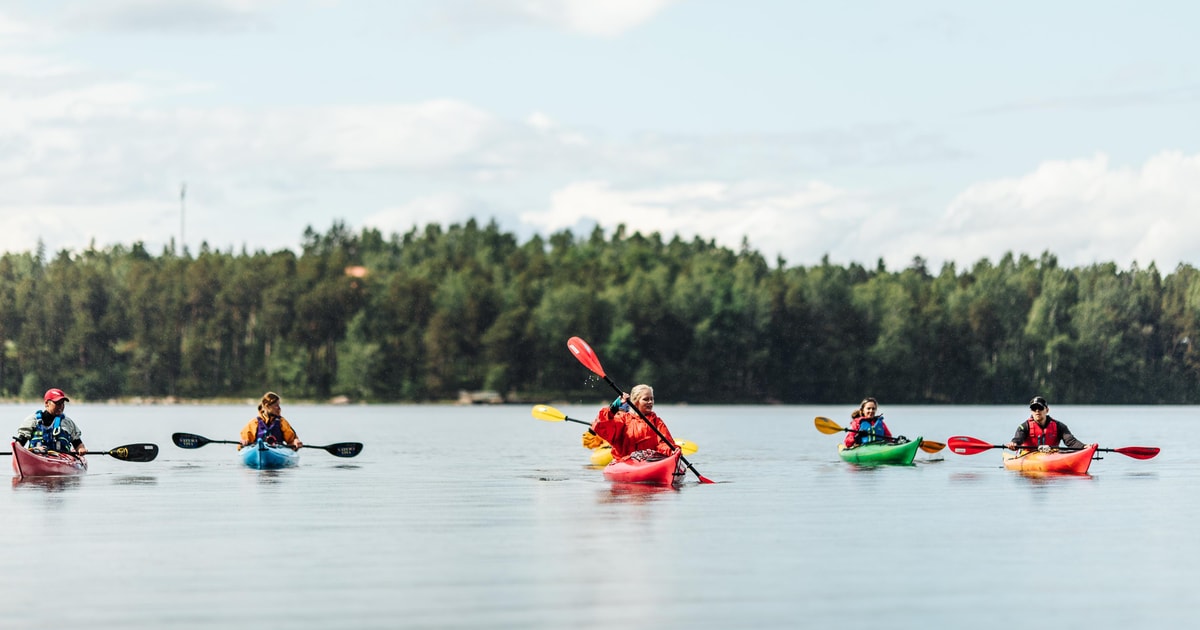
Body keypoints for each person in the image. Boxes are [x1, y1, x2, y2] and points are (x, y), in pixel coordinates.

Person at [589, 384, 677, 461]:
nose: (650, 402)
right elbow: (601, 425)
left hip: (651, 462)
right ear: (635, 402)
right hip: (626, 462)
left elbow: (664, 443)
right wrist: (615, 406)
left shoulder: (657, 421)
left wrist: (671, 450)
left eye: (652, 399)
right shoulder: (623, 419)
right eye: (646, 399)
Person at [1006, 396, 1094, 453]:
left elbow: (1071, 441)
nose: (1037, 411)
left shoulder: (1059, 426)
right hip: (1028, 455)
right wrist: (1013, 444)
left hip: (1052, 455)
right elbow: (1018, 439)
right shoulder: (1024, 427)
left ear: (1047, 410)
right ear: (1031, 411)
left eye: (1040, 408)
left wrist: (1084, 447)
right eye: (1034, 408)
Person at [15, 388, 88, 455]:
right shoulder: (32, 420)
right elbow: (19, 444)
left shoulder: (67, 422)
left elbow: (78, 443)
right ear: (47, 403)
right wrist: (33, 450)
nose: (61, 406)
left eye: (62, 403)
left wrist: (81, 449)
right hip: (37, 455)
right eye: (57, 403)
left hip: (62, 458)